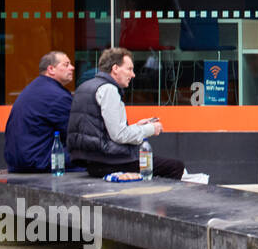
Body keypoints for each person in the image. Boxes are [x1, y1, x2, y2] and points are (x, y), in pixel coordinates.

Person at [67, 47, 185, 179]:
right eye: (129, 69)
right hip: (110, 160)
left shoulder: (85, 86)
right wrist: (150, 129)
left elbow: (101, 130)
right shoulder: (108, 89)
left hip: (92, 160)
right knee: (176, 167)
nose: (133, 74)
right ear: (115, 68)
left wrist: (137, 126)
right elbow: (119, 135)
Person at [4, 50, 75, 172]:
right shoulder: (56, 95)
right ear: (51, 69)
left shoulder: (34, 88)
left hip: (18, 162)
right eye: (66, 64)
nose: (72, 67)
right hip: (40, 161)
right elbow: (74, 132)